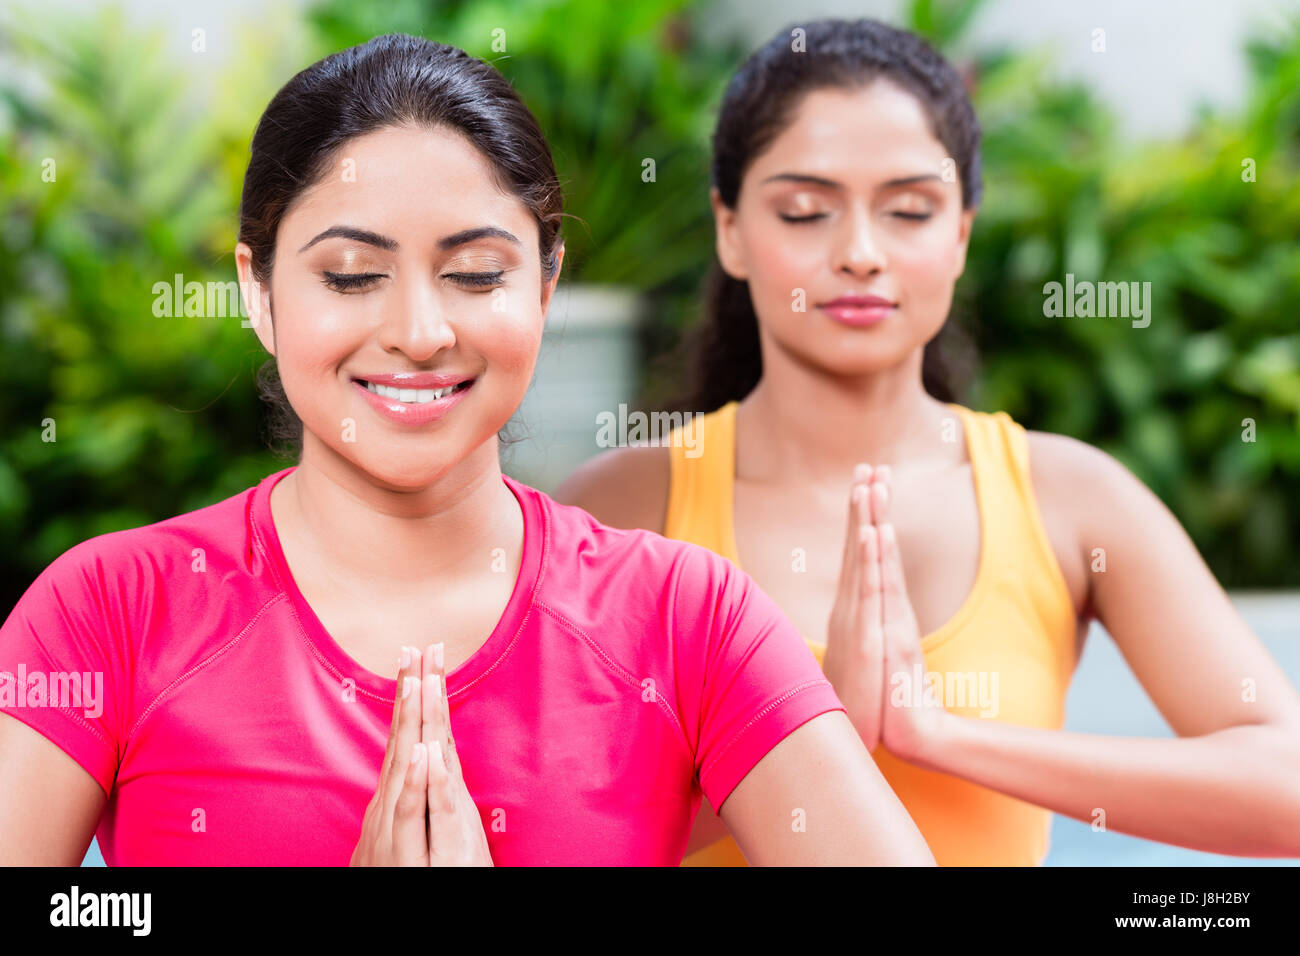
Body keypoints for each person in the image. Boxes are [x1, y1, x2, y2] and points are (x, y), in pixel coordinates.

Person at [0, 33, 935, 867]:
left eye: (475, 274)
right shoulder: (108, 613)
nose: (418, 330)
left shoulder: (691, 622)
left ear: (545, 282)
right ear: (259, 290)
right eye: (352, 274)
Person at [555, 18, 1300, 866]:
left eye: (909, 210)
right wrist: (813, 723)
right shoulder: (619, 509)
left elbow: (1285, 789)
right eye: (805, 211)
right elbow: (543, 833)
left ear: (960, 233)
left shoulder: (1069, 497)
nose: (861, 253)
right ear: (730, 229)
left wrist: (935, 734)